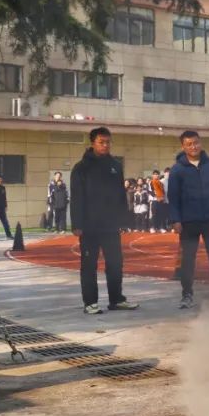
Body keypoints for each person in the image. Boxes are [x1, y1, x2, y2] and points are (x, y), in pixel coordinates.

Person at [70, 127, 137, 314]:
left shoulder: (115, 165)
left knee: (115, 263)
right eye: (101, 142)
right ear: (93, 143)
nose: (105, 145)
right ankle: (90, 302)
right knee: (89, 265)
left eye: (108, 142)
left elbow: (120, 195)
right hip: (89, 226)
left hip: (111, 225)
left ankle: (116, 299)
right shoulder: (81, 168)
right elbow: (77, 197)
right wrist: (77, 224)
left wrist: (123, 219)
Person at [168, 130, 209, 307]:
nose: (193, 147)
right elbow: (173, 197)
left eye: (196, 142)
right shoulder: (178, 169)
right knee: (188, 259)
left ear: (200, 143)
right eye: (189, 144)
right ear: (183, 146)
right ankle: (187, 294)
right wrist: (176, 219)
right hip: (189, 221)